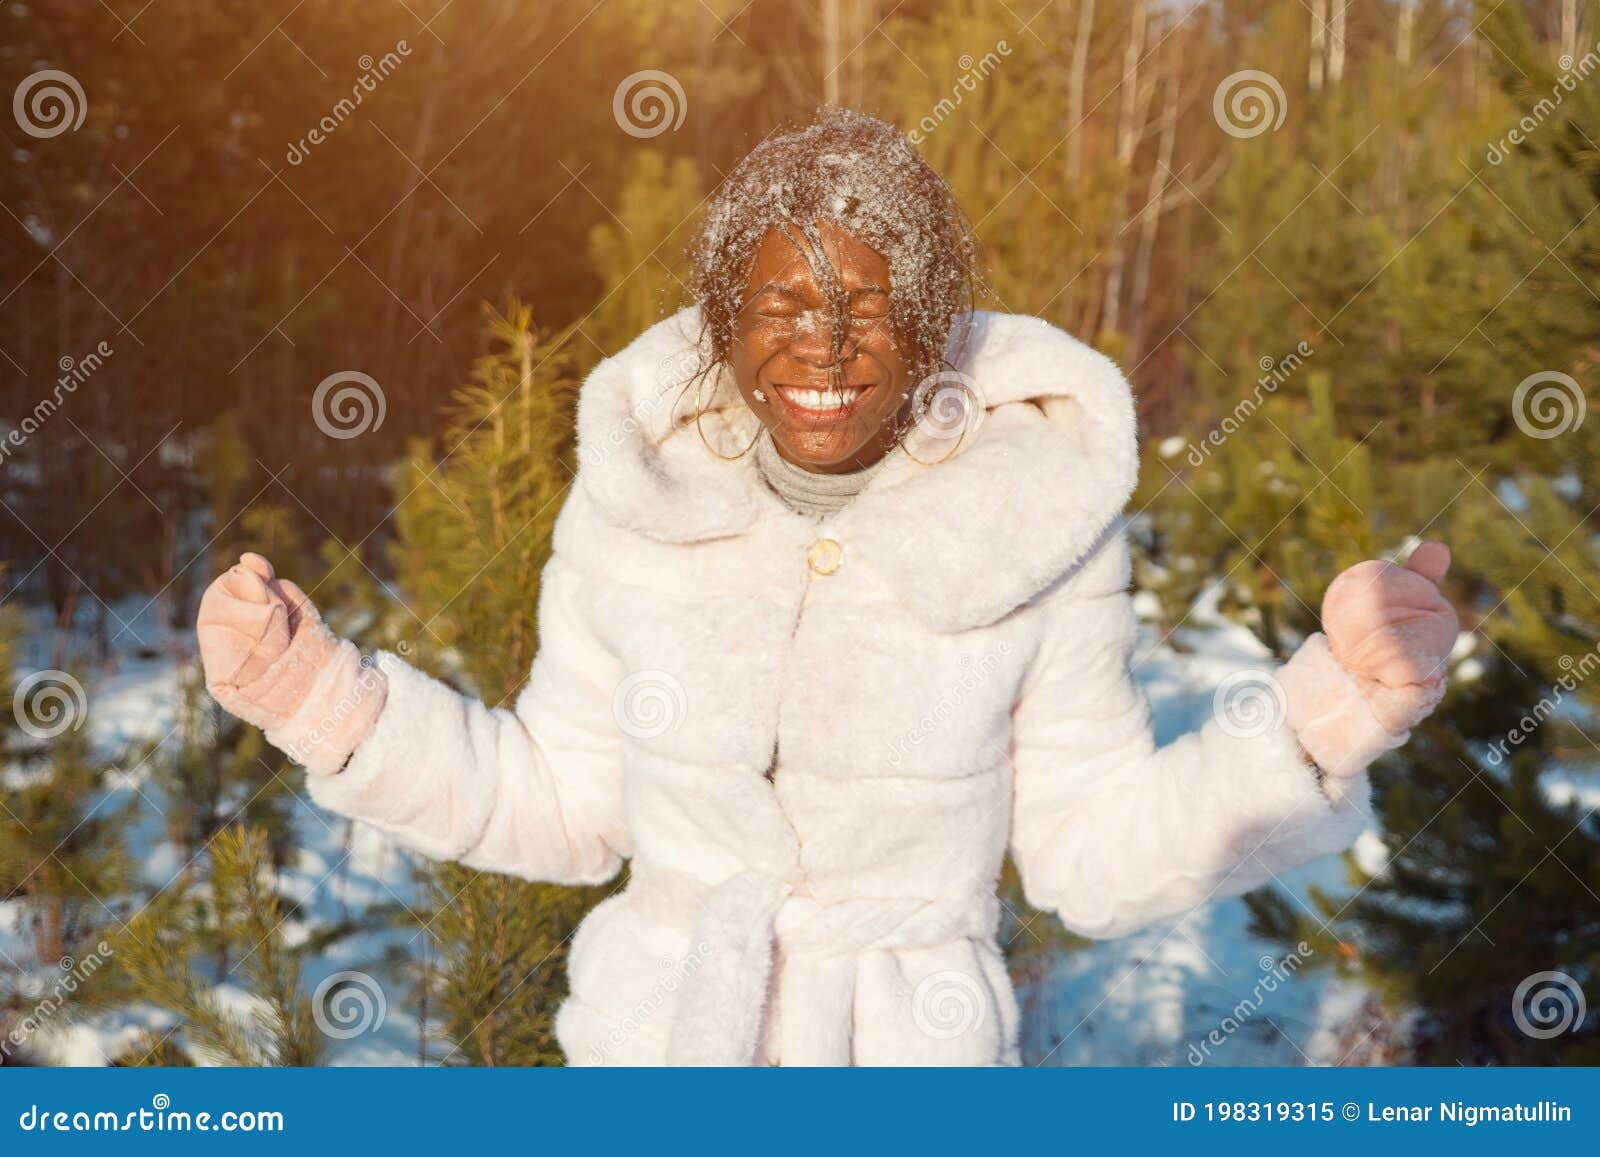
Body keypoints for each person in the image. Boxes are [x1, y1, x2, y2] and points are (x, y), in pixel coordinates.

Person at [196, 109, 1458, 1066]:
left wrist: (1328, 708)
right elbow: (559, 802)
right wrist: (326, 698)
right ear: (720, 320)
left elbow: (1094, 848)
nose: (825, 344)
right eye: (781, 302)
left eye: (872, 303)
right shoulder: (635, 513)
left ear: (934, 320)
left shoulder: (1035, 531)